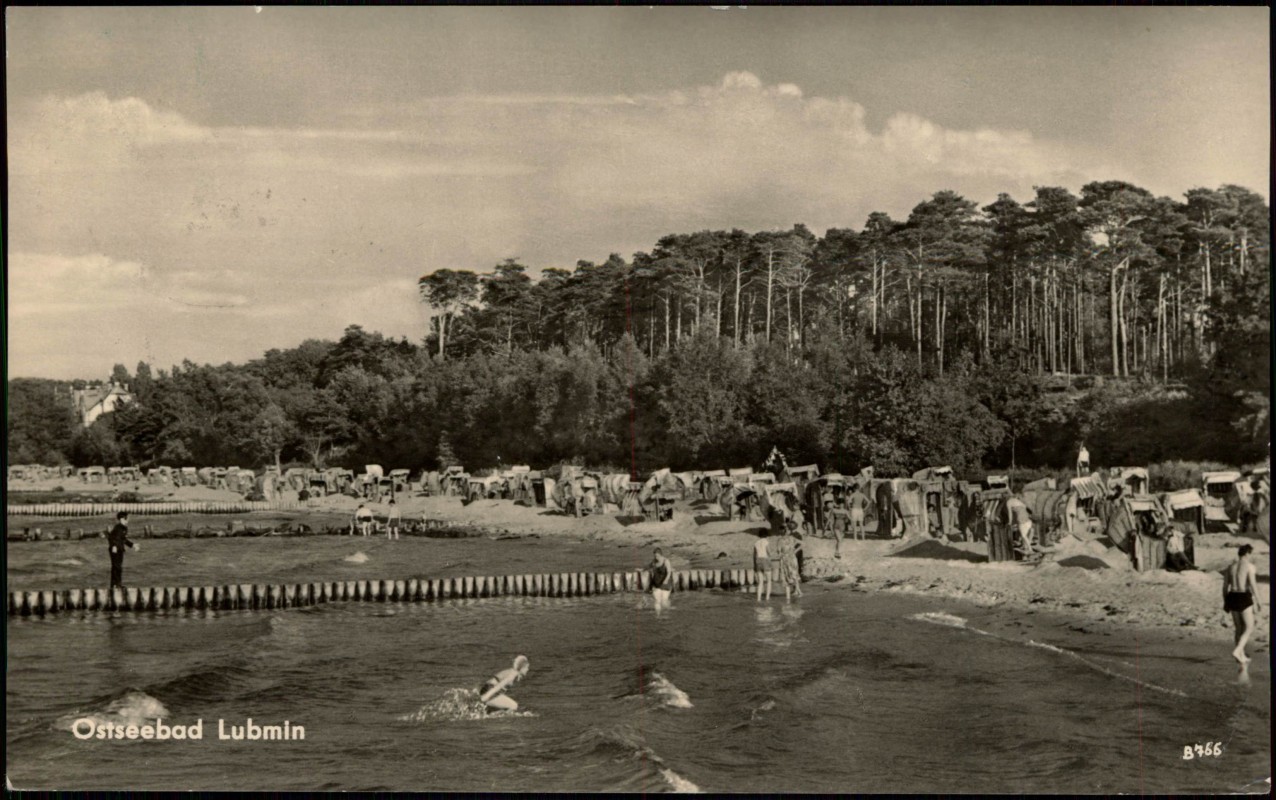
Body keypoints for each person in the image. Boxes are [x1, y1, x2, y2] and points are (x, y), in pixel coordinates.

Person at [1222, 545, 1262, 665]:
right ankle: (1238, 650)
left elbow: (1224, 587)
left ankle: (1241, 655)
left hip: (1232, 596)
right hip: (1244, 596)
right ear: (1247, 554)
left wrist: (1226, 601)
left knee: (1239, 628)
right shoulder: (1250, 566)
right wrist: (1259, 601)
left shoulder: (1230, 567)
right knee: (1249, 627)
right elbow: (1253, 585)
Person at [107, 511, 138, 588]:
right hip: (115, 549)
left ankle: (117, 584)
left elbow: (124, 540)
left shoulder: (124, 528)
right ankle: (115, 584)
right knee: (116, 567)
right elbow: (111, 537)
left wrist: (133, 545)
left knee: (118, 567)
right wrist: (114, 546)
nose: (127, 521)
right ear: (121, 519)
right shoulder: (117, 528)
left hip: (119, 549)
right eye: (126, 519)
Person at [773, 530, 802, 602]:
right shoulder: (792, 538)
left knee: (787, 576)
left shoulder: (780, 541)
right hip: (792, 558)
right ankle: (798, 591)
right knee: (794, 574)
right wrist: (795, 551)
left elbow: (779, 552)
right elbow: (803, 544)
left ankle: (790, 596)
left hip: (785, 559)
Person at [649, 547, 674, 612]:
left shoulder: (666, 561)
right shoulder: (654, 561)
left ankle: (667, 612)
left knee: (664, 601)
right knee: (657, 601)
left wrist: (666, 580)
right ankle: (658, 616)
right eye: (655, 556)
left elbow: (669, 572)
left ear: (661, 555)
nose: (656, 557)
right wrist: (642, 569)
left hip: (665, 584)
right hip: (656, 583)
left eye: (657, 556)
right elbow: (648, 566)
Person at [753, 532, 773, 602]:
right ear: (766, 536)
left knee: (760, 582)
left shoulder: (756, 543)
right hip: (765, 560)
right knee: (768, 581)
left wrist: (754, 566)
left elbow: (754, 555)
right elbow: (769, 552)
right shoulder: (766, 542)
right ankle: (767, 598)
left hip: (758, 561)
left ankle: (758, 598)